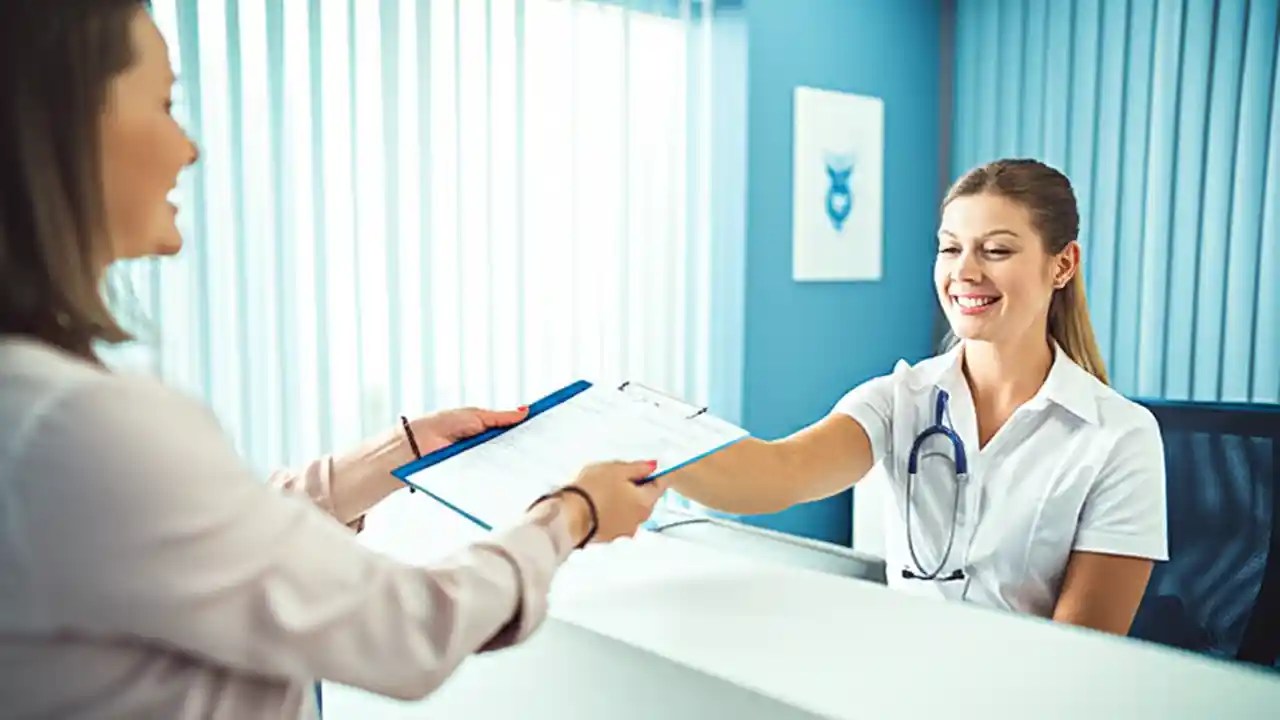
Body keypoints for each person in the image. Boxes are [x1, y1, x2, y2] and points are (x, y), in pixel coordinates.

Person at [0, 2, 668, 717]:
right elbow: (411, 629)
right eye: (164, 104)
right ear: (61, 126)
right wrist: (573, 515)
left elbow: (196, 549)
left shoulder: (35, 405)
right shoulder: (79, 426)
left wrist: (393, 455)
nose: (187, 148)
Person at [669, 158, 1168, 635]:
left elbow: (1082, 659)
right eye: (951, 249)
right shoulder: (898, 399)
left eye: (995, 250)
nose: (966, 272)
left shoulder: (1119, 437)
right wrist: (647, 451)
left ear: (1062, 265)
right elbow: (773, 475)